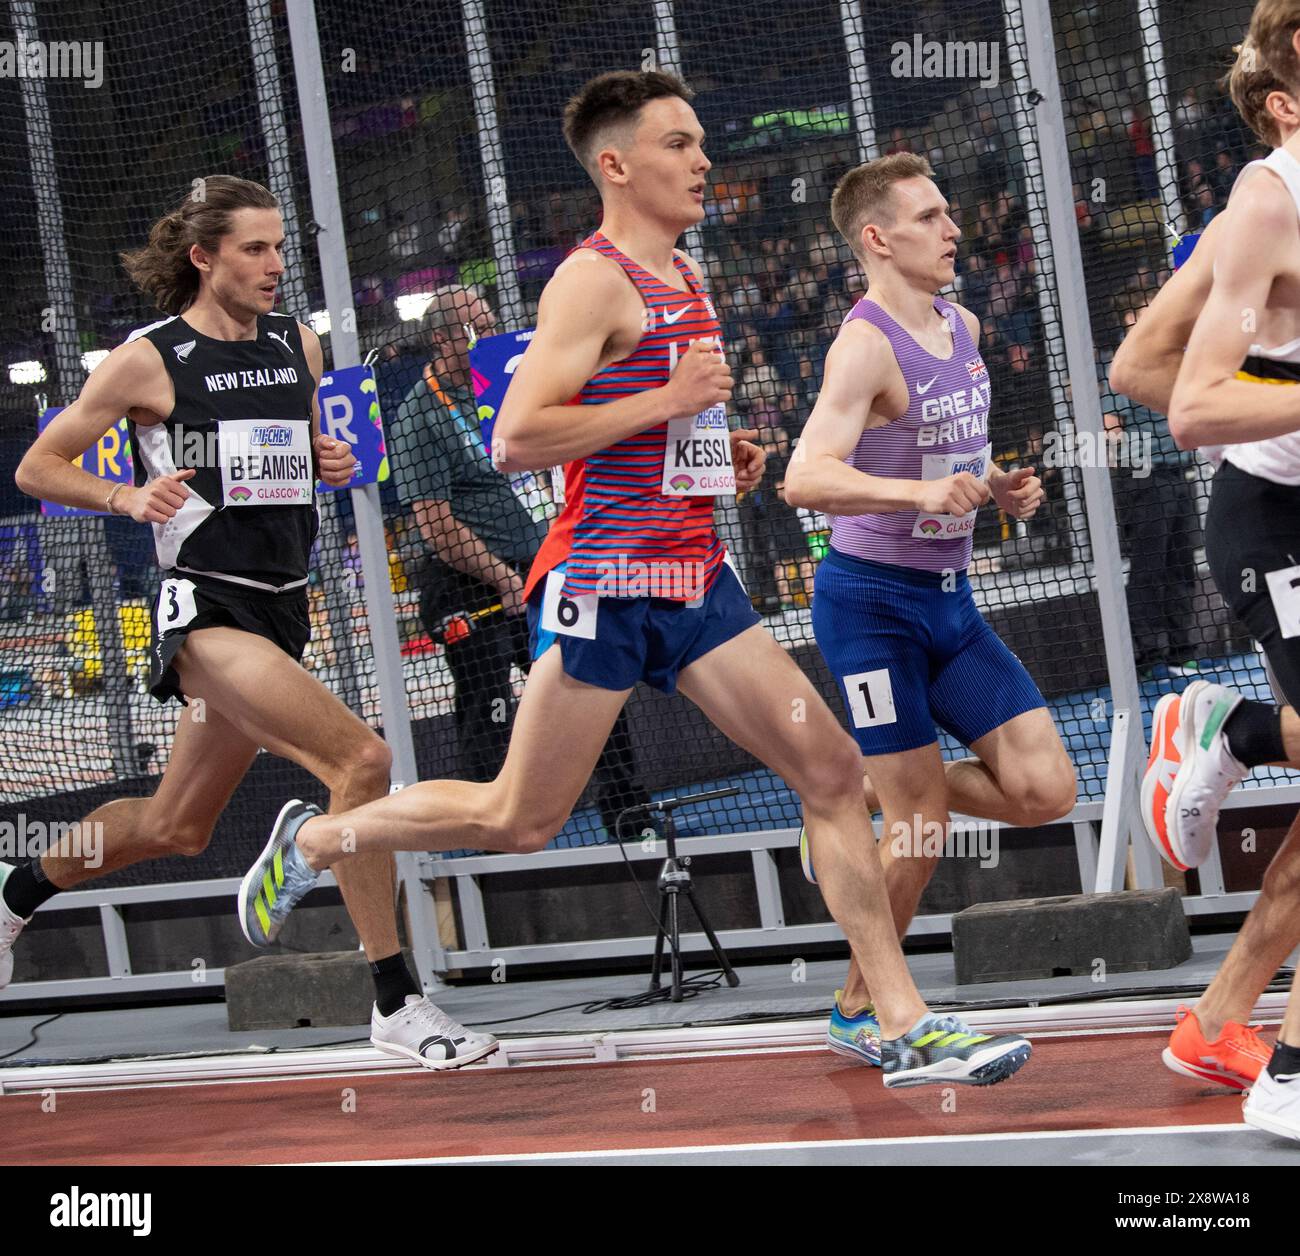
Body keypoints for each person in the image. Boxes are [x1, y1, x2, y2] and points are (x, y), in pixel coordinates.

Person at [236, 70, 1033, 1089]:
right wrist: (665, 397)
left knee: (833, 775)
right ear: (615, 165)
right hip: (602, 581)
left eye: (700, 141)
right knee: (517, 819)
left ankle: (896, 1018)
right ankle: (322, 835)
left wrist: (716, 447)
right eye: (677, 144)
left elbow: (657, 428)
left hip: (695, 578)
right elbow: (521, 435)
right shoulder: (589, 279)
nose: (702, 160)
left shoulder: (687, 275)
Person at [0, 175, 496, 1071]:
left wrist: (324, 452)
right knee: (364, 761)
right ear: (204, 258)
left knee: (173, 825)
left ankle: (15, 891)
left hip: (282, 602)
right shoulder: (148, 359)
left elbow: (294, 441)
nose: (276, 266)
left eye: (280, 248)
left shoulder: (295, 343)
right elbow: (40, 466)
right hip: (204, 606)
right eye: (255, 250)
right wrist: (124, 494)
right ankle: (395, 999)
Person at [784, 151, 1076, 1067]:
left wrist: (997, 488)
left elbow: (952, 458)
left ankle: (861, 787)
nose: (954, 229)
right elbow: (804, 478)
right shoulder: (865, 344)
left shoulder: (966, 324)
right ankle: (859, 1008)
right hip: (870, 607)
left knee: (1045, 790)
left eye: (950, 213)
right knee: (919, 825)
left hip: (952, 602)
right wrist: (919, 499)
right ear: (877, 238)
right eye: (930, 217)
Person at [1113, 23, 1300, 1137]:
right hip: (1274, 523)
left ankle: (1221, 1016)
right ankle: (1287, 1077)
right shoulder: (1265, 201)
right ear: (1283, 94)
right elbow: (1180, 402)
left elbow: (1134, 357)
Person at [389, 283, 648, 821]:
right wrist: (505, 579)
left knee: (589, 678)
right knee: (487, 703)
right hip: (470, 583)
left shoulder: (513, 383)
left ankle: (626, 810)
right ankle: (484, 835)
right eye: (475, 328)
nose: (491, 335)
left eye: (491, 322)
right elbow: (436, 525)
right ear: (442, 339)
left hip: (546, 566)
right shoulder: (420, 415)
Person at [1099, 306, 1202, 677]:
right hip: (1146, 479)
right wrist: (1123, 465)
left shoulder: (1174, 360)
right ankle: (1143, 654)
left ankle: (1181, 651)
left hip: (1179, 474)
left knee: (1181, 564)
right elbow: (1112, 425)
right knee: (1149, 566)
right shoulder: (1126, 363)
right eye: (1139, 318)